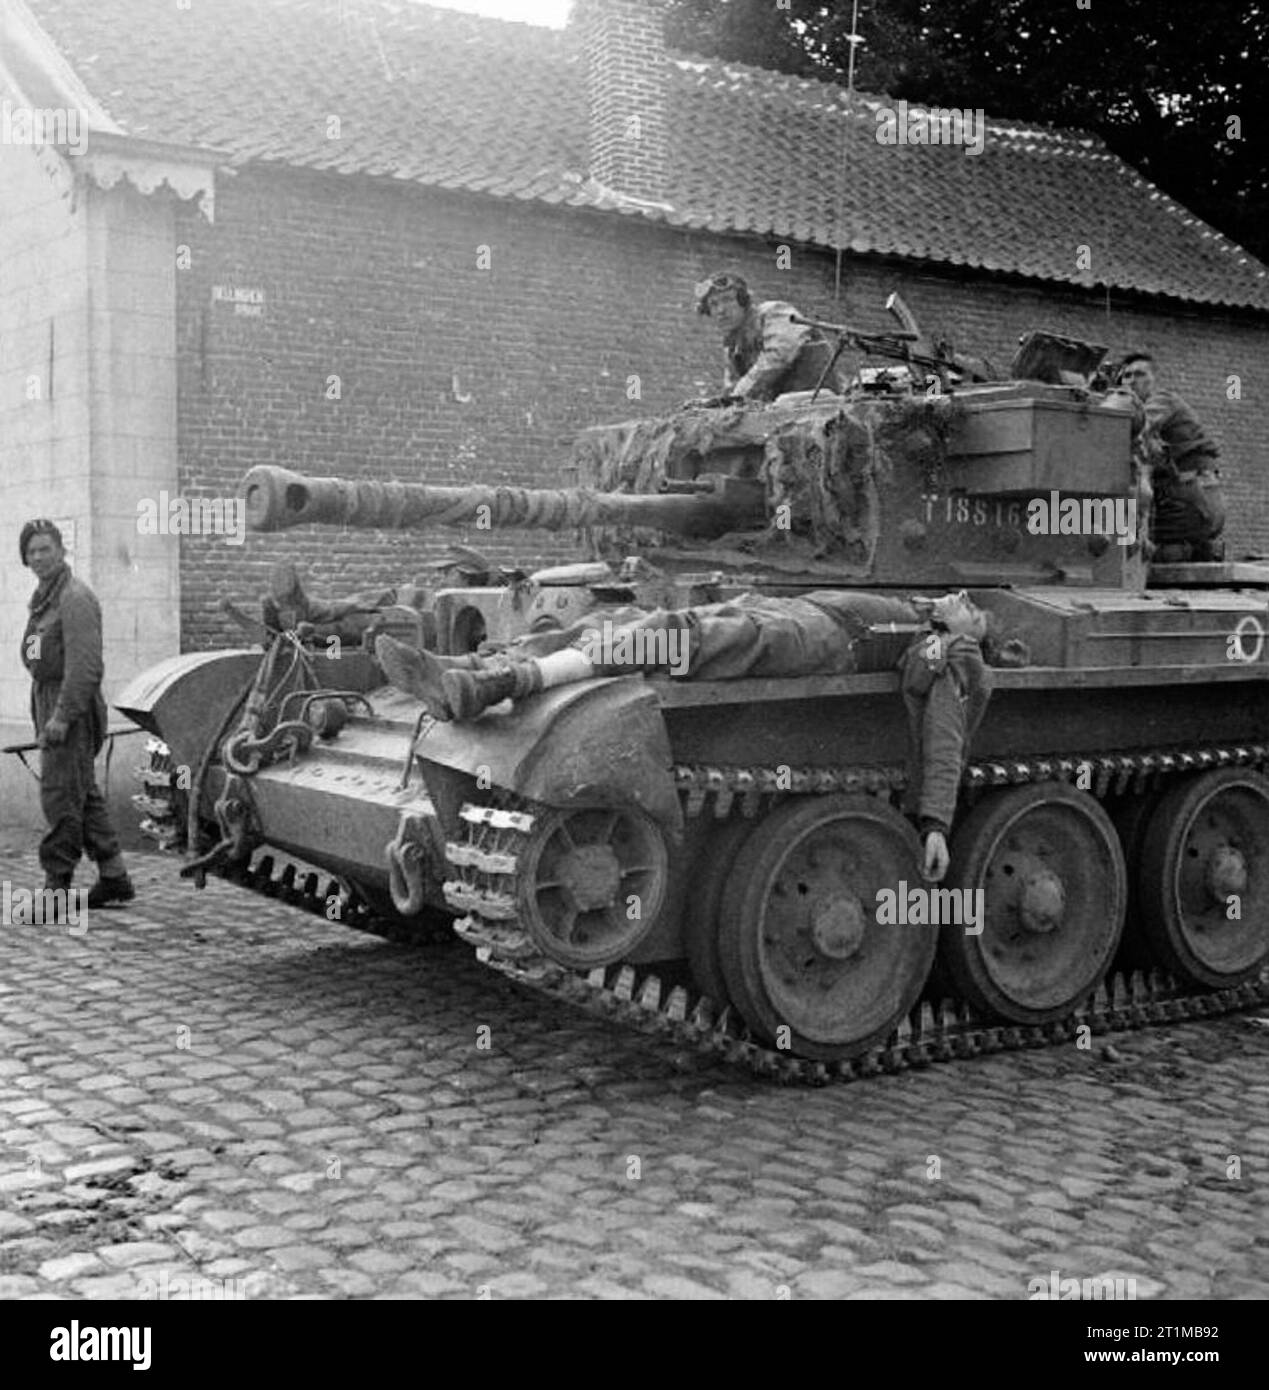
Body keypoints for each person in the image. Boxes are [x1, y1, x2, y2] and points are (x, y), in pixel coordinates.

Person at [375, 590, 996, 883]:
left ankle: (504, 680)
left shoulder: (946, 645)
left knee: (674, 636)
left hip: (823, 641)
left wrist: (935, 822)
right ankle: (474, 674)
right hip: (792, 609)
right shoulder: (917, 605)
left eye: (972, 606)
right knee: (615, 624)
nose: (962, 598)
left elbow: (944, 727)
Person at [18, 520, 134, 907]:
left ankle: (57, 885)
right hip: (49, 698)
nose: (38, 557)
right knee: (82, 792)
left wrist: (63, 715)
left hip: (72, 706)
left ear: (61, 550)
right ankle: (115, 876)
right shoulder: (42, 600)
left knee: (60, 795)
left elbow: (85, 667)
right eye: (32, 551)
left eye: (45, 549)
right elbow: (35, 654)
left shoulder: (74, 597)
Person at [1117, 352, 1225, 562]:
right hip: (1186, 499)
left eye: (1139, 374)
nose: (1131, 381)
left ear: (1154, 379)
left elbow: (1136, 426)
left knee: (1136, 551)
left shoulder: (1162, 401)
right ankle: (1199, 550)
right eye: (1127, 376)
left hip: (1193, 498)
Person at [692, 272, 848, 403]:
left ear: (743, 300)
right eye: (713, 304)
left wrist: (737, 395)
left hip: (819, 403)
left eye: (727, 299)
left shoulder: (774, 313)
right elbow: (732, 390)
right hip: (783, 411)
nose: (721, 310)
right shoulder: (733, 345)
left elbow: (778, 356)